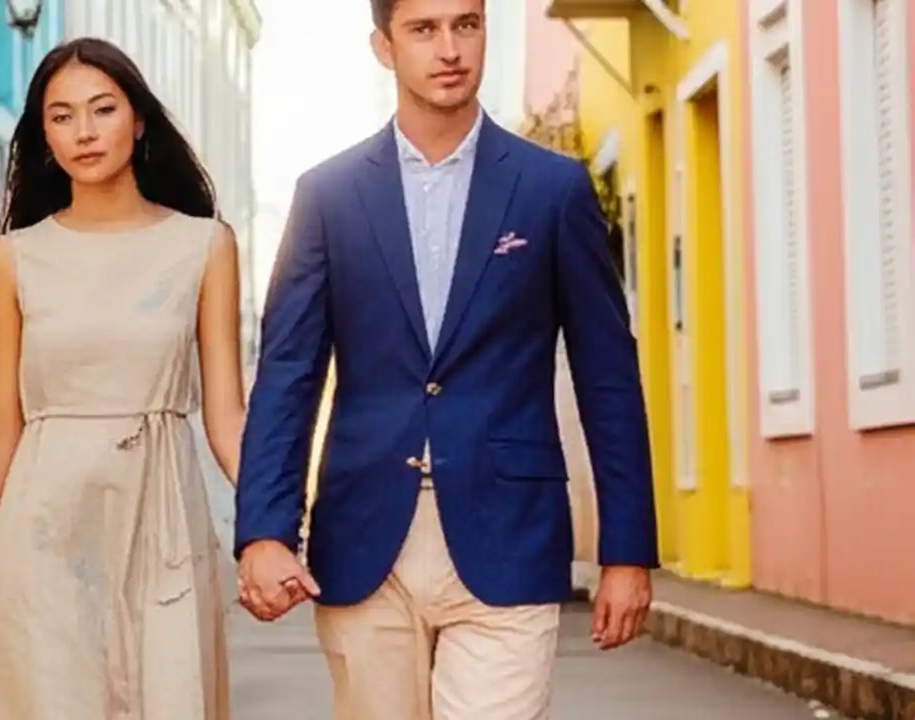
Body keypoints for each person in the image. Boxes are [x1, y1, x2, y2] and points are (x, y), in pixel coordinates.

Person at [233, 0, 659, 717]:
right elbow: (288, 379)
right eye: (423, 30)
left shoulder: (552, 190)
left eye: (467, 24)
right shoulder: (328, 197)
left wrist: (627, 549)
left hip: (509, 532)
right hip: (366, 538)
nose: (449, 48)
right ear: (383, 46)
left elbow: (608, 377)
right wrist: (265, 533)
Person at [0, 37, 247, 720]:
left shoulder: (204, 245)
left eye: (102, 109)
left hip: (164, 524)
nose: (83, 132)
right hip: (45, 533)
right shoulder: (15, 259)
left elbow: (227, 417)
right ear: (43, 134)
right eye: (61, 116)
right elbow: (3, 428)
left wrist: (279, 522)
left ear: (138, 119)